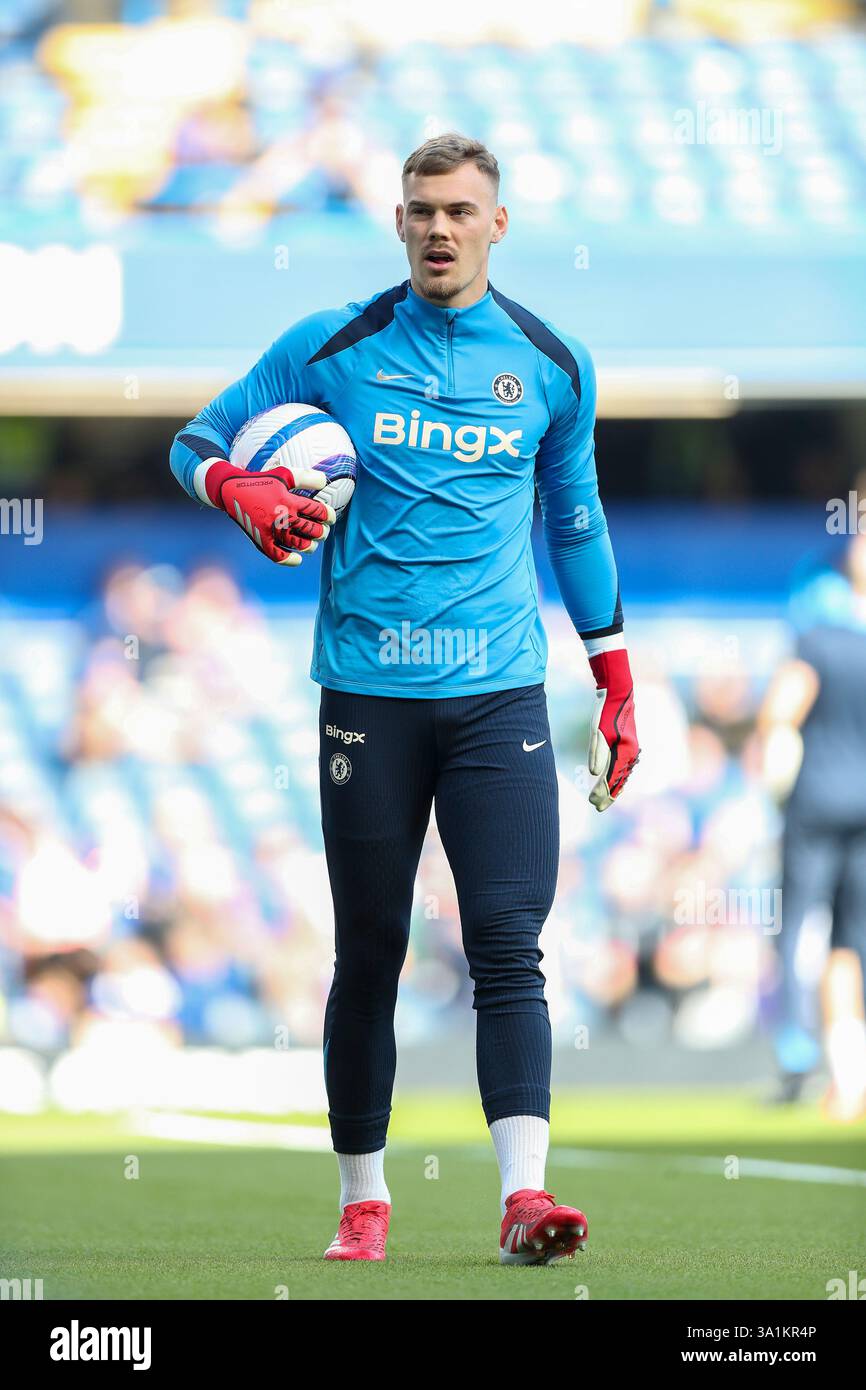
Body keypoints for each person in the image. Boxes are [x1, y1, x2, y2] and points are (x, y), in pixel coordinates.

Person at [170, 133, 640, 1264]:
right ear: (396, 221)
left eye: (461, 211)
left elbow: (573, 524)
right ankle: (363, 1199)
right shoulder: (329, 346)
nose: (440, 228)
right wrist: (239, 488)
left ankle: (524, 1198)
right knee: (370, 948)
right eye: (422, 209)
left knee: (506, 946)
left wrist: (613, 675)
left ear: (497, 223)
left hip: (497, 699)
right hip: (366, 698)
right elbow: (191, 442)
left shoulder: (551, 363)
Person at [758, 533, 866, 1120]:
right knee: (853, 942)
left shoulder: (819, 637)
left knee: (800, 927)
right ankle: (850, 1078)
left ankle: (798, 1047)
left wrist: (772, 786)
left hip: (817, 803)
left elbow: (779, 713)